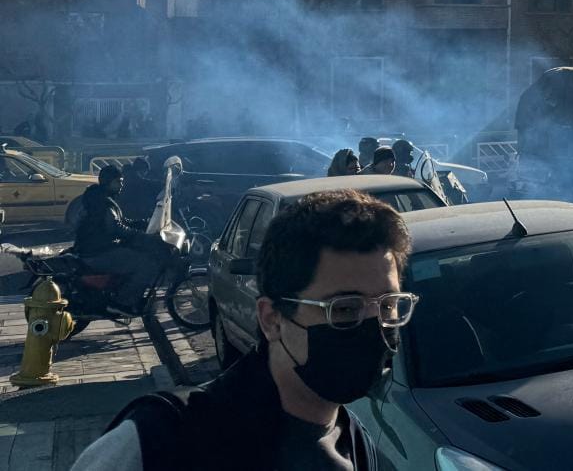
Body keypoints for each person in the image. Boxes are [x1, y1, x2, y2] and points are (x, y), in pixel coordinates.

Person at [71, 190, 415, 471]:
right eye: (344, 309)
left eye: (388, 306)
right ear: (272, 319)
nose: (375, 328)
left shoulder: (357, 444)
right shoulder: (161, 441)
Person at [74, 165, 169, 314]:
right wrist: (143, 236)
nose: (121, 185)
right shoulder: (102, 202)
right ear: (108, 182)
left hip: (96, 249)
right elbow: (116, 229)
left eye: (122, 181)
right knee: (145, 264)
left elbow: (120, 221)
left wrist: (144, 223)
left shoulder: (100, 197)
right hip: (98, 252)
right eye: (118, 181)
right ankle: (122, 303)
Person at [118, 158, 164, 224]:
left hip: (128, 213)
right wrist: (162, 184)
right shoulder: (135, 180)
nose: (146, 173)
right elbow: (146, 183)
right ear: (143, 170)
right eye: (146, 171)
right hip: (135, 215)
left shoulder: (128, 178)